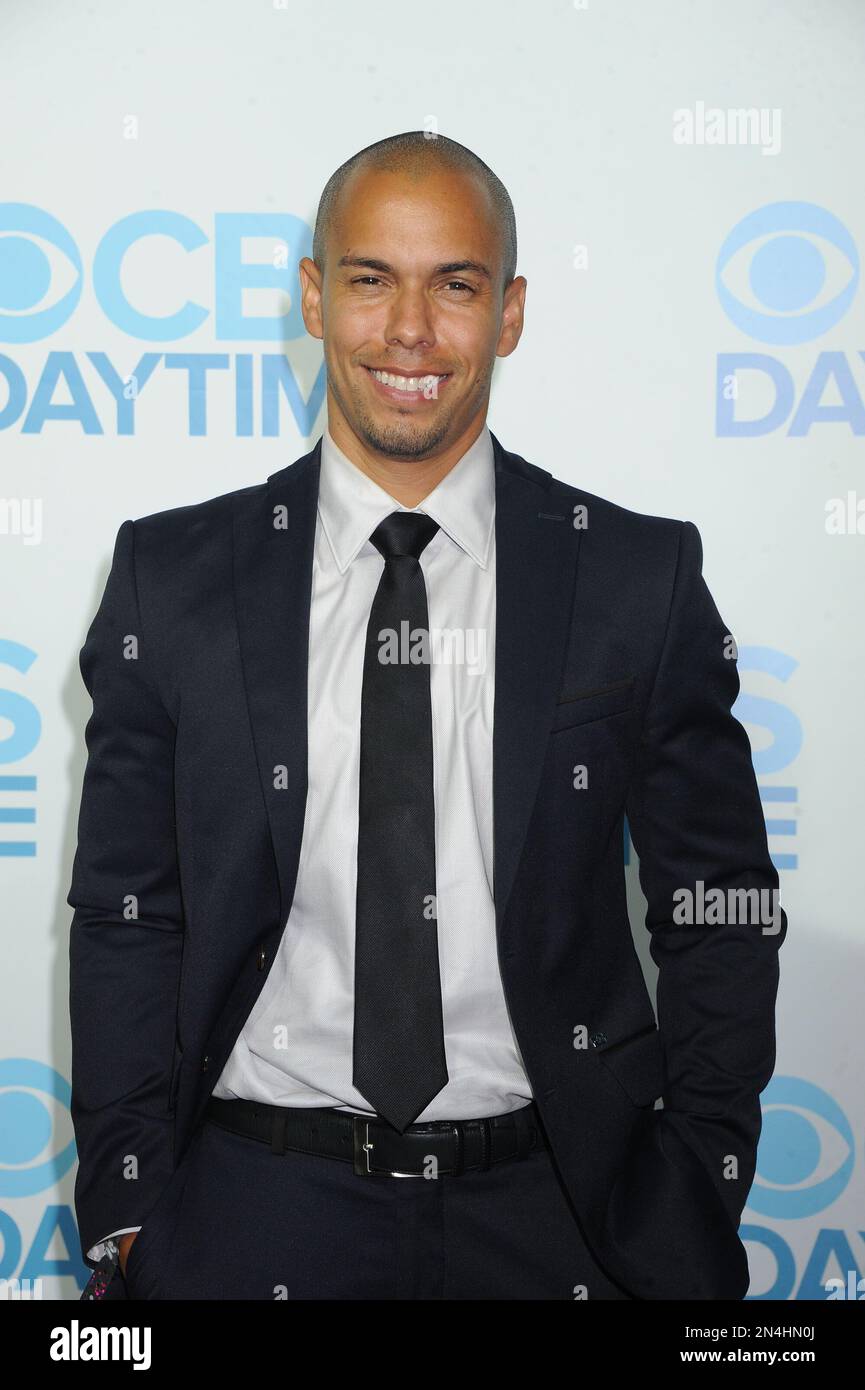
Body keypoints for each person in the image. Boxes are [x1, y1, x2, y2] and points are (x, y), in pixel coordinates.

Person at [69, 130, 786, 1302]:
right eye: (369, 280)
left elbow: (720, 910)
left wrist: (696, 1180)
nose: (409, 331)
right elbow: (126, 916)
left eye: (453, 284)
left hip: (565, 1214)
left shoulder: (631, 581)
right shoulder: (173, 578)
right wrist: (128, 1208)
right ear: (314, 295)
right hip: (250, 1208)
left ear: (507, 314)